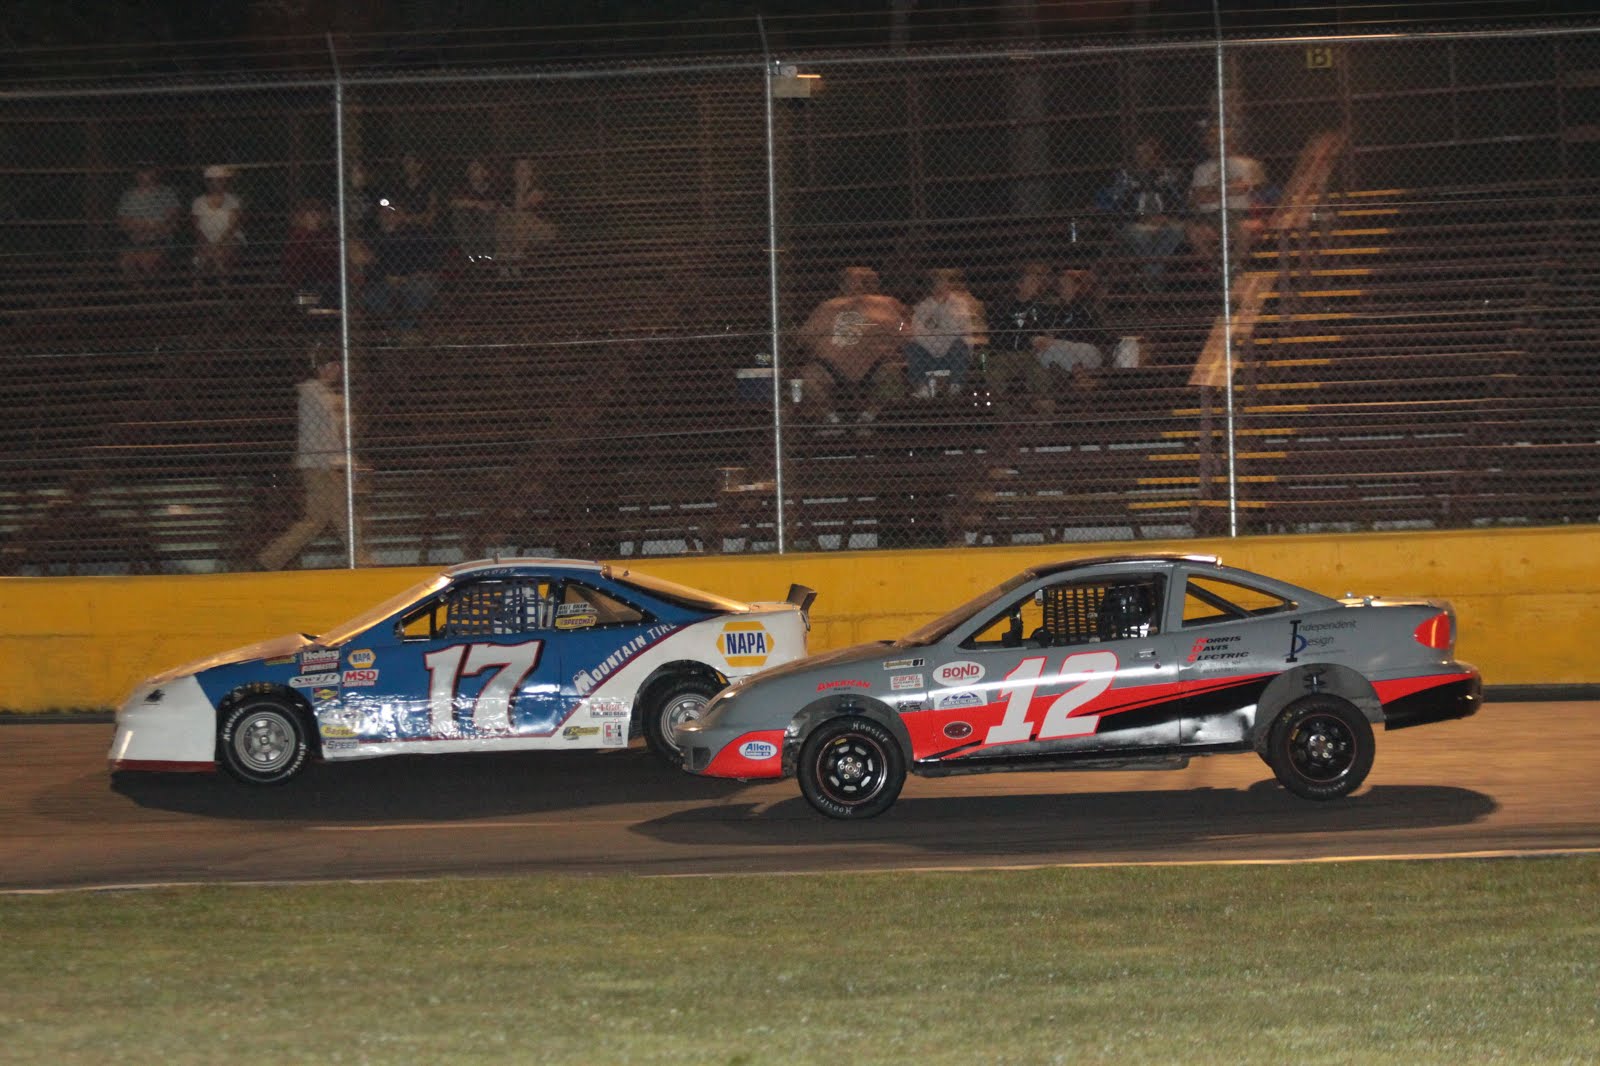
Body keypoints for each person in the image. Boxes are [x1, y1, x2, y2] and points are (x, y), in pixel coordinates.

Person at [257, 352, 372, 570]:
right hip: (321, 463)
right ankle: (360, 559)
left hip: (328, 462)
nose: (332, 371)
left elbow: (343, 430)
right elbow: (335, 428)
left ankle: (270, 560)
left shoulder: (330, 395)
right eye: (326, 366)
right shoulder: (312, 391)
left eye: (335, 366)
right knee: (343, 513)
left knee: (318, 519)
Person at [794, 266, 908, 421]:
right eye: (854, 280)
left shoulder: (885, 304)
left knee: (891, 372)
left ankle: (867, 419)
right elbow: (805, 338)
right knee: (809, 376)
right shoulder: (828, 307)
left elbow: (903, 330)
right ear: (842, 285)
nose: (860, 284)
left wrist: (899, 321)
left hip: (875, 364)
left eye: (864, 280)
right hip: (832, 366)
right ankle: (833, 420)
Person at [1098, 137, 1188, 289]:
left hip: (1165, 222)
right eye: (1138, 153)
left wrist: (1167, 217)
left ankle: (1149, 280)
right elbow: (1114, 204)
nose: (1142, 157)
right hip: (1135, 223)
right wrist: (1141, 217)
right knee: (1140, 236)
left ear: (1157, 153)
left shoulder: (1171, 174)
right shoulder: (1125, 176)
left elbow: (1182, 201)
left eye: (1147, 152)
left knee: (1178, 230)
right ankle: (1154, 283)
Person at [1187, 123, 1268, 269]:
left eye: (1220, 141)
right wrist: (1229, 189)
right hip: (1210, 216)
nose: (1215, 145)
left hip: (1238, 214)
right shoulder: (1202, 169)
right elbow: (1199, 198)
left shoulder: (1246, 165)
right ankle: (1216, 268)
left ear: (1231, 142)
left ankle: (1234, 267)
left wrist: (1212, 191)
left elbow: (1244, 189)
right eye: (1211, 142)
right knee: (1194, 232)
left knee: (1244, 231)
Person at [363, 195, 440, 334]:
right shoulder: (372, 236)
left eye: (392, 212)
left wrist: (407, 277)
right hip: (384, 281)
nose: (388, 216)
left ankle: (402, 332)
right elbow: (370, 263)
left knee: (420, 290)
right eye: (384, 213)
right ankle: (395, 331)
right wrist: (387, 277)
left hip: (413, 279)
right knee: (373, 296)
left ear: (401, 214)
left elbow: (427, 261)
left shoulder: (416, 233)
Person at [906, 268, 987, 397]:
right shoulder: (923, 306)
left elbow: (957, 331)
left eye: (943, 282)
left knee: (960, 344)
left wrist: (936, 330)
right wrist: (940, 332)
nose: (940, 286)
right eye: (936, 283)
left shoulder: (959, 304)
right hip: (929, 353)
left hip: (952, 354)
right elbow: (917, 333)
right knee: (912, 347)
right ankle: (923, 387)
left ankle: (955, 386)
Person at [985, 261, 1056, 405]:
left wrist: (1044, 338)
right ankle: (1003, 414)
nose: (1036, 285)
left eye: (1036, 282)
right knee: (994, 375)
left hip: (1029, 354)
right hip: (1004, 354)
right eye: (1031, 282)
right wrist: (1028, 339)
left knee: (1041, 375)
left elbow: (1046, 331)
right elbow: (997, 335)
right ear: (1019, 284)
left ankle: (1044, 414)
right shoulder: (1002, 305)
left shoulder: (1039, 307)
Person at [1036, 268, 1111, 381]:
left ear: (1077, 286)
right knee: (1043, 354)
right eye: (1060, 285)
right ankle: (1077, 374)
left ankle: (1075, 374)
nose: (1061, 288)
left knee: (1057, 350)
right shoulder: (1056, 309)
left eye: (1066, 284)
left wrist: (1055, 339)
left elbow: (1095, 336)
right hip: (1061, 351)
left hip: (1086, 350)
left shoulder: (1086, 307)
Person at [115, 163, 182, 281]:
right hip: (135, 240)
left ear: (155, 172)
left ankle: (152, 289)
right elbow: (123, 223)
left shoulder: (167, 193)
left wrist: (140, 225)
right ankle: (138, 289)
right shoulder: (128, 195)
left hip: (159, 240)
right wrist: (152, 224)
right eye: (141, 171)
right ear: (136, 174)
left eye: (148, 171)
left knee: (148, 262)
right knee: (126, 262)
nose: (145, 175)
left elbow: (171, 222)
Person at [495, 157, 556, 271]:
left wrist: (520, 189)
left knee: (522, 217)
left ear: (531, 172)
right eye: (518, 168)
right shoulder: (508, 191)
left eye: (524, 169)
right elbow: (503, 209)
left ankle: (515, 256)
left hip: (541, 228)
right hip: (515, 229)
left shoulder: (538, 188)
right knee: (503, 219)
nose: (520, 172)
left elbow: (521, 207)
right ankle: (505, 263)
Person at [281, 198, 341, 312]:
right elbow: (294, 264)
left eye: (317, 211)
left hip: (330, 281)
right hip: (306, 283)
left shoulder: (329, 235)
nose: (314, 215)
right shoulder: (297, 235)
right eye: (309, 211)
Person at [191, 164, 245, 284]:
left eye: (222, 180)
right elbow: (196, 227)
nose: (219, 183)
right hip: (206, 239)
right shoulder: (198, 202)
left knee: (222, 254)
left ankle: (222, 284)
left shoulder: (232, 200)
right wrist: (206, 242)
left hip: (229, 238)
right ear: (207, 182)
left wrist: (220, 242)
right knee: (200, 257)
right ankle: (201, 285)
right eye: (215, 180)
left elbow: (233, 226)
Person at [449, 157, 501, 264]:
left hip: (485, 219)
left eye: (477, 168)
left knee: (486, 216)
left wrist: (483, 206)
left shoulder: (491, 187)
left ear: (485, 171)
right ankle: (469, 255)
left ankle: (486, 256)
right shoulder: (463, 187)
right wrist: (476, 204)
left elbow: (494, 204)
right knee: (460, 214)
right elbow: (454, 202)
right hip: (469, 218)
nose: (473, 171)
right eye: (471, 168)